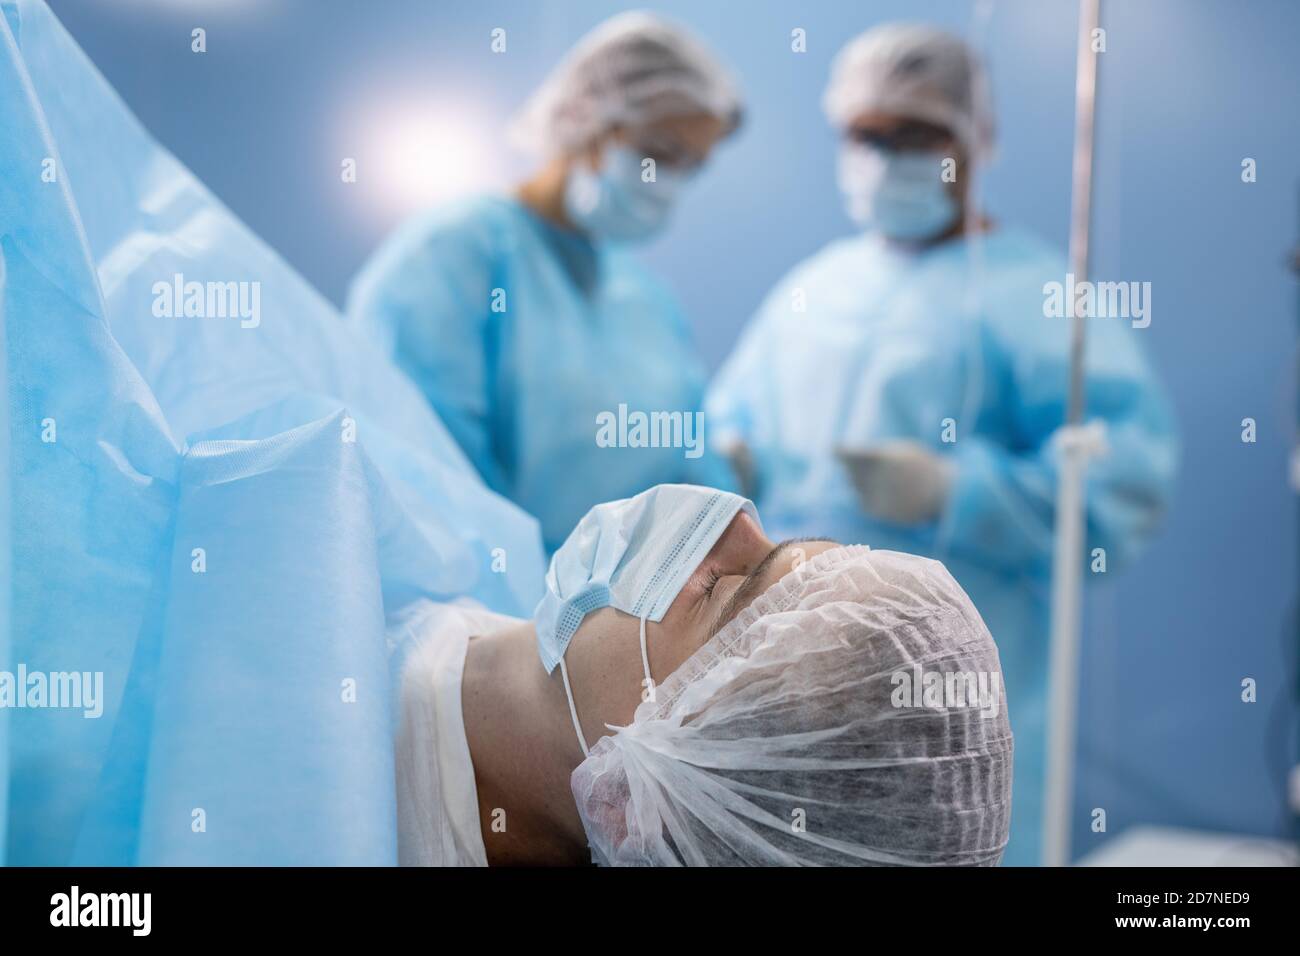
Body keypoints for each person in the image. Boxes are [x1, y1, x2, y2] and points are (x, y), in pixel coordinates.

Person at [705, 24, 1177, 865]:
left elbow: (1120, 491)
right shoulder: (813, 291)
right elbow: (724, 434)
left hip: (954, 700)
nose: (888, 157)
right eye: (867, 136)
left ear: (973, 142)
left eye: (916, 137)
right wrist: (728, 462)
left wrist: (958, 495)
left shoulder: (1037, 297)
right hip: (788, 698)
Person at [394, 484, 1013, 866]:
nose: (732, 520)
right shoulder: (436, 532)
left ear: (630, 808)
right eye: (784, 542)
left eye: (727, 588)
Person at [348, 12, 741, 552]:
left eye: (692, 165)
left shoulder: (647, 302)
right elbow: (424, 472)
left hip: (638, 620)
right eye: (658, 153)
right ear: (585, 119)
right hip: (490, 614)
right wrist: (545, 606)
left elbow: (693, 469)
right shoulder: (453, 256)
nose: (668, 182)